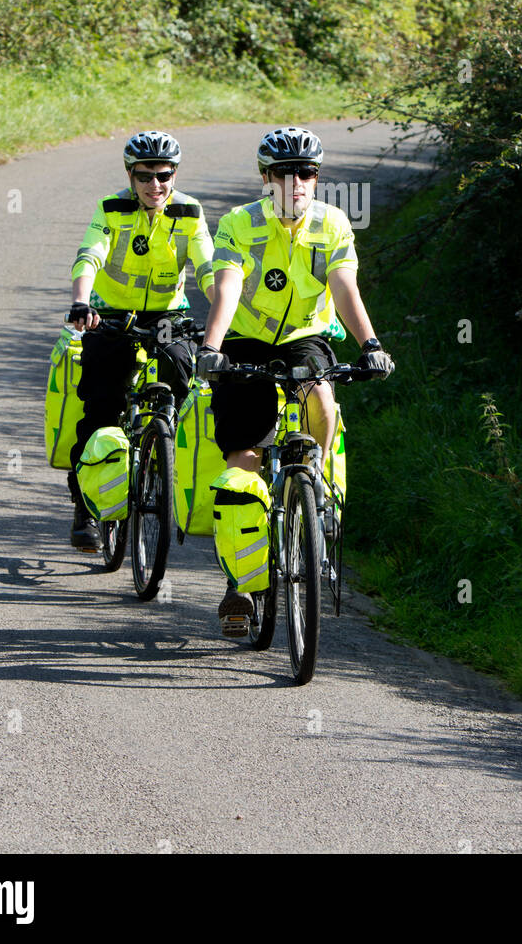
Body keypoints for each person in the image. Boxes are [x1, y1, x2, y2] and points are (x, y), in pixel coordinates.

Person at [196, 126, 393, 635]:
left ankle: (315, 486)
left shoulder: (332, 223)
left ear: (316, 178)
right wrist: (212, 348)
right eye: (285, 173)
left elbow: (344, 285)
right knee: (243, 463)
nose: (297, 181)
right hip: (245, 341)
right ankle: (239, 588)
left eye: (307, 172)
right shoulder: (239, 223)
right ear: (266, 177)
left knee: (322, 398)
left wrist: (370, 344)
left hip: (305, 337)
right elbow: (228, 287)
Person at [66, 130, 215, 550]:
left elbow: (206, 265)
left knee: (186, 384)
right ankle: (85, 506)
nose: (155, 186)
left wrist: (223, 306)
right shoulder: (111, 209)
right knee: (102, 406)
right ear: (130, 175)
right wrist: (82, 303)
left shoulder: (188, 210)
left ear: (174, 174)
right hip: (110, 316)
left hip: (168, 316)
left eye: (164, 176)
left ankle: (171, 472)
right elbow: (89, 255)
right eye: (145, 176)